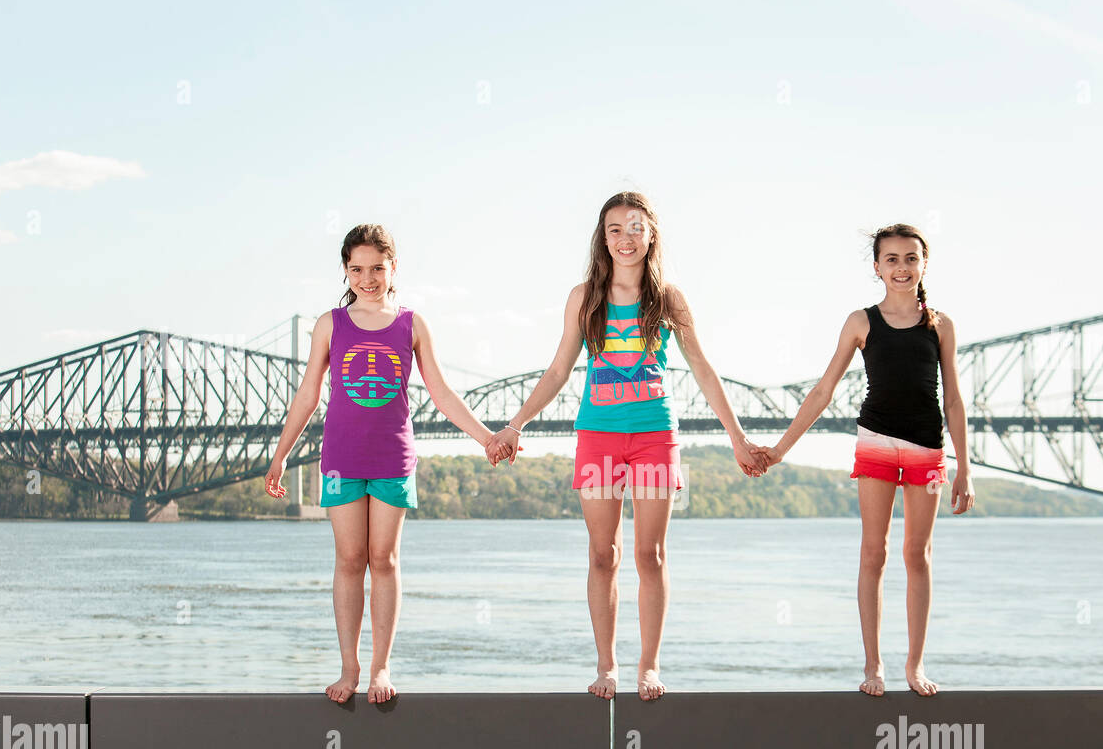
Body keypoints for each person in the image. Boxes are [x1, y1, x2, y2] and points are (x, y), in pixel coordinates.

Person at [485, 191, 767, 700]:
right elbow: (557, 370)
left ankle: (650, 667)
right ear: (603, 238)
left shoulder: (669, 298)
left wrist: (737, 437)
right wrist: (515, 425)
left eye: (635, 227)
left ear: (651, 234)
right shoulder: (584, 297)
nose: (625, 238)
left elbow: (702, 368)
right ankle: (607, 666)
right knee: (601, 554)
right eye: (614, 229)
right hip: (597, 438)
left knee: (651, 555)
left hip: (656, 437)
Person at [265, 223, 501, 704]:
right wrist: (281, 454)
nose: (367, 278)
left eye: (377, 268)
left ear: (394, 267)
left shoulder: (412, 324)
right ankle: (349, 668)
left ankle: (381, 668)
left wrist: (486, 438)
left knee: (385, 560)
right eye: (357, 269)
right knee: (350, 560)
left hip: (394, 456)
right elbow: (308, 394)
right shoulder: (330, 324)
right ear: (346, 271)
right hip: (341, 457)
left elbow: (441, 392)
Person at [751, 223, 974, 696]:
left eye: (910, 258)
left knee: (919, 555)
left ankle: (915, 665)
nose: (901, 267)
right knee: (874, 552)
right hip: (875, 442)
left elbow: (953, 399)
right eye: (891, 259)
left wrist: (965, 470)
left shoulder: (941, 325)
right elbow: (823, 390)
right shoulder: (860, 321)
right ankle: (874, 666)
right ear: (876, 267)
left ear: (924, 264)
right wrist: (780, 450)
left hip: (927, 448)